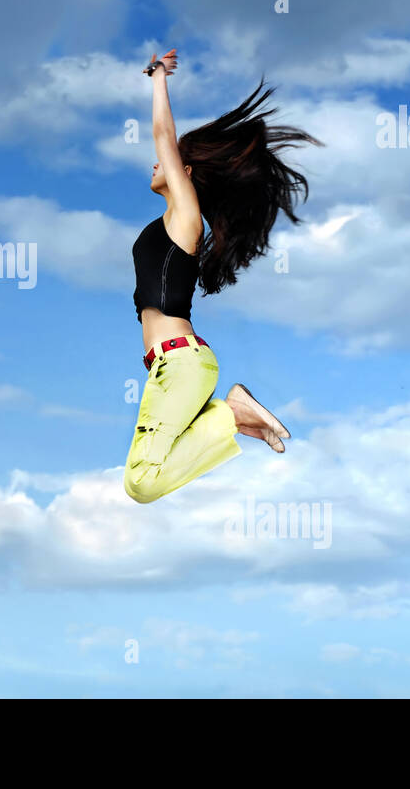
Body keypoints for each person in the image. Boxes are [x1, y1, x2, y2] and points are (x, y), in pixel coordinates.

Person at [124, 49, 320, 504]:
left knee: (142, 482)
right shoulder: (168, 223)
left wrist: (157, 79)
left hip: (182, 363)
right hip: (166, 368)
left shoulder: (186, 215)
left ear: (185, 173)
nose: (157, 164)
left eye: (170, 162)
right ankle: (230, 414)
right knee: (140, 481)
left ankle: (231, 413)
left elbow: (162, 135)